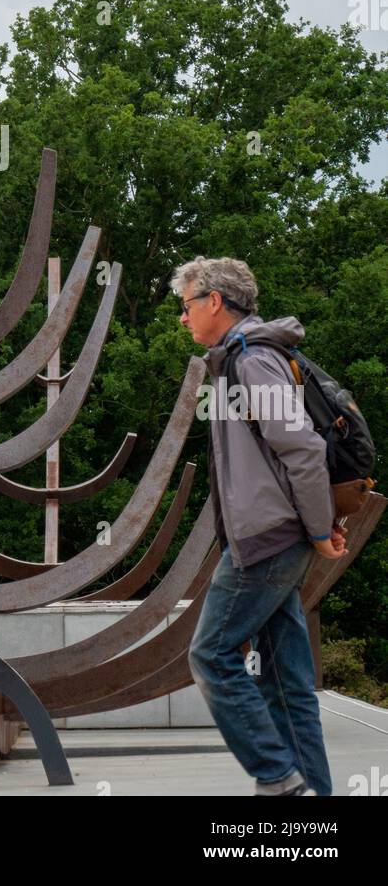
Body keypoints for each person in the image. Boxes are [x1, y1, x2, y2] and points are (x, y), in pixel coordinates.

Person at [171, 256, 346, 797]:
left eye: (187, 305)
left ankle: (278, 782)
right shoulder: (238, 359)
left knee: (211, 654)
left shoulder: (251, 360)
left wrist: (319, 529)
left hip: (268, 539)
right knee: (287, 684)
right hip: (274, 535)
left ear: (215, 302)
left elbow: (301, 447)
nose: (184, 318)